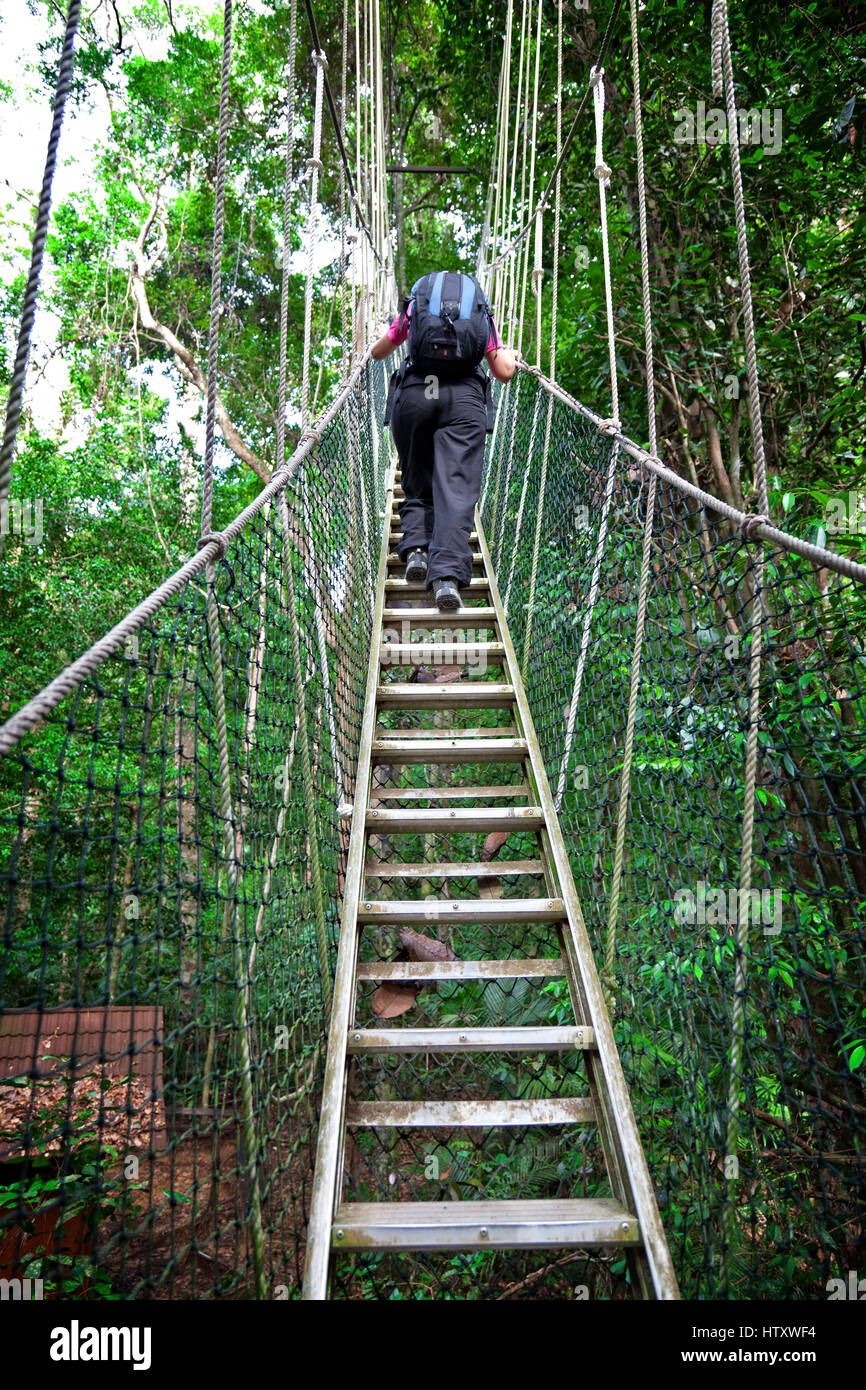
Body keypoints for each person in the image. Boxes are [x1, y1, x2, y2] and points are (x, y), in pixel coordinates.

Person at [370, 271, 516, 611]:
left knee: (417, 480)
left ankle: (417, 553)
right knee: (456, 489)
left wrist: (381, 336)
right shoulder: (478, 308)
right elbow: (504, 371)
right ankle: (446, 578)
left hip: (418, 394)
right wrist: (510, 353)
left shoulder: (418, 303)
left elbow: (380, 352)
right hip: (463, 399)